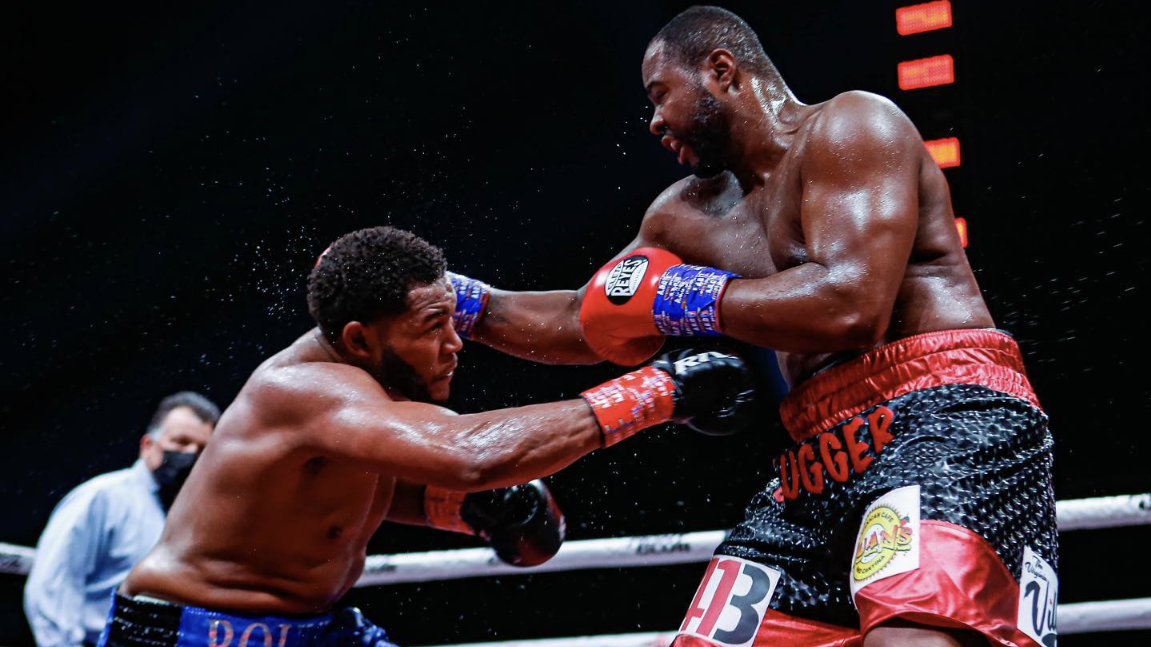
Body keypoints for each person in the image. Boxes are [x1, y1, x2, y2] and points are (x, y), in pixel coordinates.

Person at [444, 6, 1057, 647]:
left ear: (721, 70)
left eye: (661, 95)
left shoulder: (851, 126)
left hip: (939, 411)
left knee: (912, 638)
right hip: (817, 451)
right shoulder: (685, 215)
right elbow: (585, 316)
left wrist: (686, 298)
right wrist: (457, 303)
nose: (654, 121)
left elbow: (852, 307)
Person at [101, 226, 754, 647]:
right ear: (359, 339)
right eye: (431, 326)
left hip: (317, 628)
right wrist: (656, 391)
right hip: (191, 632)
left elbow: (338, 498)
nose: (454, 345)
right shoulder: (305, 389)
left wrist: (468, 510)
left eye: (452, 322)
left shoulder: (371, 395)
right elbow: (468, 455)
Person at [24, 392, 219, 647]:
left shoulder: (197, 515)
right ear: (148, 445)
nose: (191, 454)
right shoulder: (102, 498)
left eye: (202, 449)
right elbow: (52, 588)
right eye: (181, 442)